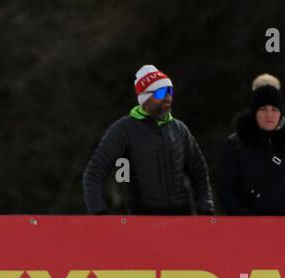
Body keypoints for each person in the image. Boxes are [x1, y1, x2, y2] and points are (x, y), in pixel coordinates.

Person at [82, 64, 213, 215]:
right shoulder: (125, 129)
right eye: (160, 93)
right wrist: (99, 215)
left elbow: (199, 173)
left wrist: (206, 210)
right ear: (144, 98)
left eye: (170, 90)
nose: (167, 97)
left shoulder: (179, 129)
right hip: (141, 223)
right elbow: (94, 173)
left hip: (181, 220)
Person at [218, 74, 285, 216]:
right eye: (263, 109)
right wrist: (248, 220)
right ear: (255, 112)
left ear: (281, 113)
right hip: (246, 229)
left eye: (274, 109)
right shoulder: (236, 145)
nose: (269, 114)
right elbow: (226, 191)